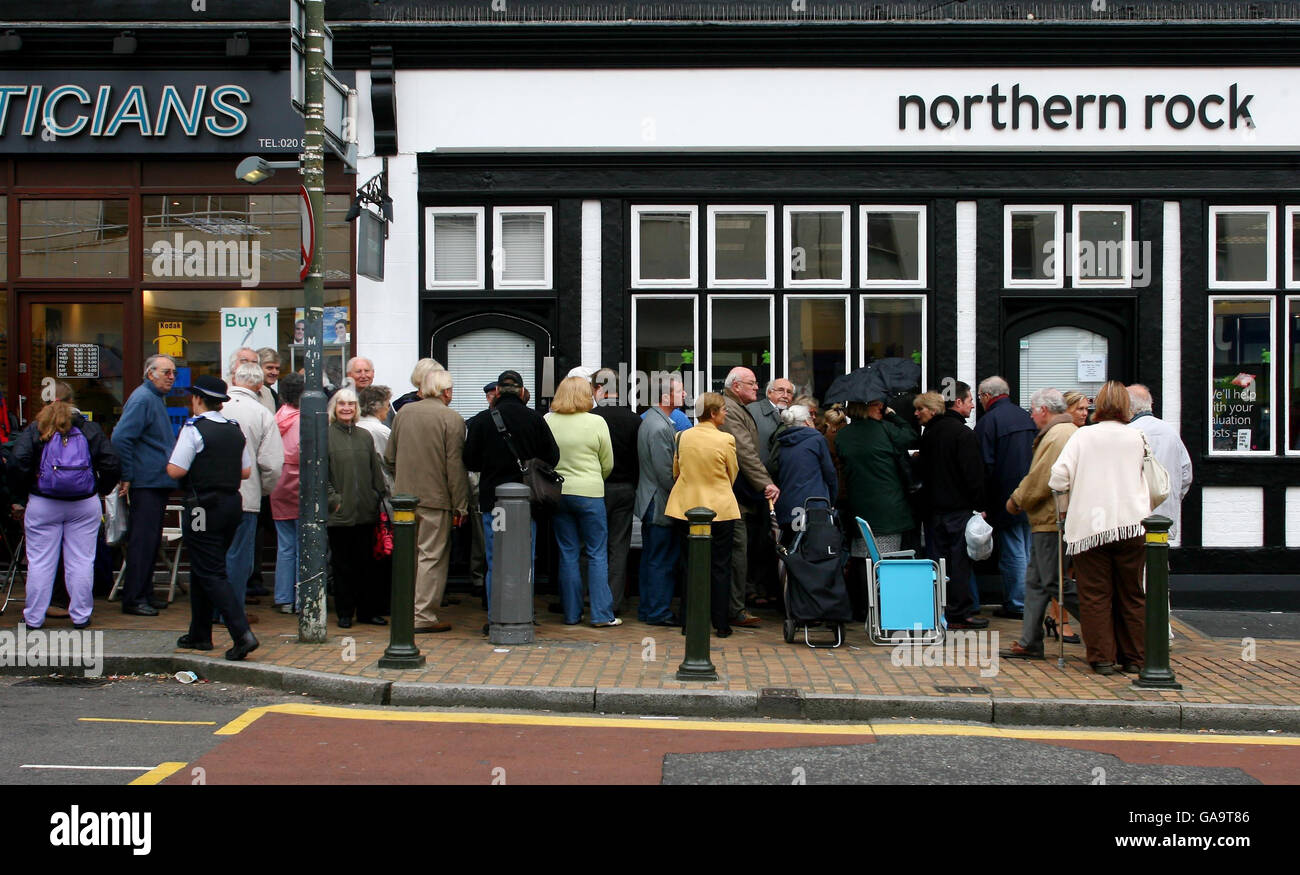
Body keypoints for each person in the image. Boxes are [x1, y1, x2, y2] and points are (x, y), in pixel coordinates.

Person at [1049, 381, 1150, 676]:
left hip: (1090, 527)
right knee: (1132, 593)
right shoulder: (1137, 436)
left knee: (1095, 594)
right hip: (1131, 525)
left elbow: (1058, 479)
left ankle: (1102, 658)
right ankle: (1134, 658)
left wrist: (1067, 502)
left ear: (1099, 405)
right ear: (1127, 407)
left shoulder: (1084, 437)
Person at [7, 382, 119, 630]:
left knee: (40, 562)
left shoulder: (36, 429)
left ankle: (34, 618)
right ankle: (80, 616)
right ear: (72, 401)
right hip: (83, 504)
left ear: (45, 402)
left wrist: (22, 494)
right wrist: (96, 491)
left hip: (43, 503)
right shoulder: (90, 429)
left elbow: (17, 462)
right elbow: (111, 464)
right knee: (80, 561)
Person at [165, 376, 259, 661]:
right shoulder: (234, 429)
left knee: (210, 570)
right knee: (203, 566)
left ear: (197, 400)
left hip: (201, 508)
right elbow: (245, 472)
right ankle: (200, 633)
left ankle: (241, 633)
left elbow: (175, 470)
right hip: (232, 504)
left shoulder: (194, 428)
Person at [463, 369, 559, 614]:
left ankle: (497, 613)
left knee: (496, 559)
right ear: (522, 392)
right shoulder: (535, 419)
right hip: (527, 501)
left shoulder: (482, 420)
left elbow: (470, 461)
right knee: (525, 557)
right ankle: (523, 611)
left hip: (493, 502)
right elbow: (552, 457)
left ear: (496, 391)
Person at [384, 368, 468, 634]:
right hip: (436, 498)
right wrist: (461, 504)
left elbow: (390, 456)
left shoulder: (404, 413)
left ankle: (404, 610)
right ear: (446, 392)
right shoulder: (451, 418)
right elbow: (454, 466)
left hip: (404, 498)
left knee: (407, 556)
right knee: (431, 557)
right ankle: (423, 615)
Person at [1002, 388, 1081, 659]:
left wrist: (1016, 500)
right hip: (1049, 519)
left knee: (1053, 581)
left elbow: (1041, 478)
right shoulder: (1064, 433)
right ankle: (1030, 641)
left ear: (1044, 410)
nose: (1032, 417)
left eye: (1033, 412)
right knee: (1036, 581)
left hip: (1051, 519)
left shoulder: (1057, 436)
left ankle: (1106, 622)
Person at [545, 376, 620, 627]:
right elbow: (607, 462)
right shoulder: (596, 421)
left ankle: (571, 614)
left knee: (568, 553)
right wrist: (596, 479)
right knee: (597, 553)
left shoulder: (548, 420)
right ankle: (601, 615)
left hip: (558, 493)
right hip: (590, 493)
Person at [665, 392, 740, 637]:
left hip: (685, 506)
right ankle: (720, 623)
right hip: (719, 508)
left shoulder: (681, 436)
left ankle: (688, 620)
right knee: (720, 566)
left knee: (688, 565)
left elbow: (676, 469)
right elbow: (733, 472)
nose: (726, 413)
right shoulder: (726, 439)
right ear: (713, 413)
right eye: (723, 410)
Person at [913, 387, 988, 630]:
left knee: (937, 561)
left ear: (934, 410)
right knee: (959, 562)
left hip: (933, 510)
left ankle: (938, 610)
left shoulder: (929, 436)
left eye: (919, 409)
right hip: (958, 509)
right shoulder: (962, 434)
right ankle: (960, 613)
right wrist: (980, 505)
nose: (916, 413)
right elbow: (973, 474)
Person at [111, 354, 179, 616]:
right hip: (146, 482)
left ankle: (145, 593)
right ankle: (135, 598)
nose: (172, 377)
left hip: (155, 480)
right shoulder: (142, 399)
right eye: (166, 372)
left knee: (150, 541)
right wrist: (127, 474)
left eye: (173, 372)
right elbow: (121, 437)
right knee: (142, 541)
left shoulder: (153, 398)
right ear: (150, 373)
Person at [219, 363, 283, 625]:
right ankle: (232, 613)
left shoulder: (215, 408)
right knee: (238, 556)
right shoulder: (262, 413)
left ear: (234, 379)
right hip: (246, 496)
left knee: (214, 553)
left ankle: (212, 609)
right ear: (259, 386)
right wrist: (263, 489)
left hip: (210, 498)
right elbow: (272, 463)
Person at [719, 367, 779, 629]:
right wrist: (765, 483)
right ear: (736, 387)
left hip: (742, 493)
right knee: (737, 550)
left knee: (742, 550)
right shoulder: (730, 409)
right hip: (735, 495)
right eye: (752, 384)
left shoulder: (736, 407)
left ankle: (735, 605)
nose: (757, 388)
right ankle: (735, 608)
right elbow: (744, 450)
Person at [973, 376, 1037, 619]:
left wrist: (983, 502)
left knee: (1013, 552)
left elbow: (985, 466)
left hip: (1005, 499)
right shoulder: (1026, 417)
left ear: (987, 396)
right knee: (1028, 550)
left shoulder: (989, 422)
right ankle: (1030, 600)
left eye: (979, 397)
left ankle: (1018, 603)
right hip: (1030, 495)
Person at [326, 387, 389, 629]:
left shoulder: (365, 436)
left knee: (367, 565)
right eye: (342, 404)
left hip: (365, 511)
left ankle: (367, 611)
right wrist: (335, 500)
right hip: (339, 514)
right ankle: (344, 611)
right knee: (342, 566)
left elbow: (375, 472)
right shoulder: (327, 435)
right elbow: (322, 476)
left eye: (351, 404)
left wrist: (376, 496)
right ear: (335, 407)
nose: (346, 408)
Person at [835, 398, 918, 553]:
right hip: (890, 511)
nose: (882, 407)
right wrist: (892, 415)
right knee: (889, 564)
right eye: (876, 404)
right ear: (862, 408)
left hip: (859, 511)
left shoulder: (842, 435)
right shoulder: (885, 429)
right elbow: (911, 436)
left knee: (864, 561)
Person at [636, 375, 686, 626]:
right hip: (660, 502)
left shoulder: (656, 421)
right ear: (665, 397)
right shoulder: (659, 427)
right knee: (661, 559)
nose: (686, 395)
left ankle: (649, 609)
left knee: (652, 558)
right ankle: (658, 612)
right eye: (681, 391)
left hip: (653, 499)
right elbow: (666, 472)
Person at [591, 367, 641, 615]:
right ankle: (612, 602)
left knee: (592, 546)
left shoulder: (590, 418)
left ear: (597, 389)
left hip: (595, 488)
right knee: (618, 547)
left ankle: (591, 600)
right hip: (624, 488)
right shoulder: (634, 420)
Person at [1127, 384, 1193, 543]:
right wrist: (1170, 497)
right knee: (1158, 558)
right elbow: (1186, 474)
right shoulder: (1170, 432)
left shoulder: (1128, 432)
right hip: (1164, 514)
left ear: (1129, 407)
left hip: (1132, 514)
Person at [771, 403, 838, 542]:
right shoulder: (816, 439)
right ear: (807, 421)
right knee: (814, 551)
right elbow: (830, 473)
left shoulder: (782, 441)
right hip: (813, 505)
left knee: (793, 550)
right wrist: (832, 498)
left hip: (787, 506)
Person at [270, 373, 304, 613]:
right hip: (301, 482)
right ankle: (303, 596)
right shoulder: (304, 419)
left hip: (278, 483)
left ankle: (283, 597)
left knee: (285, 545)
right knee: (305, 543)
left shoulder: (278, 417)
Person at [357, 385, 394, 491]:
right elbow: (390, 460)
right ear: (378, 407)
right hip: (382, 488)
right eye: (387, 405)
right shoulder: (381, 431)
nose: (389, 409)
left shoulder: (356, 425)